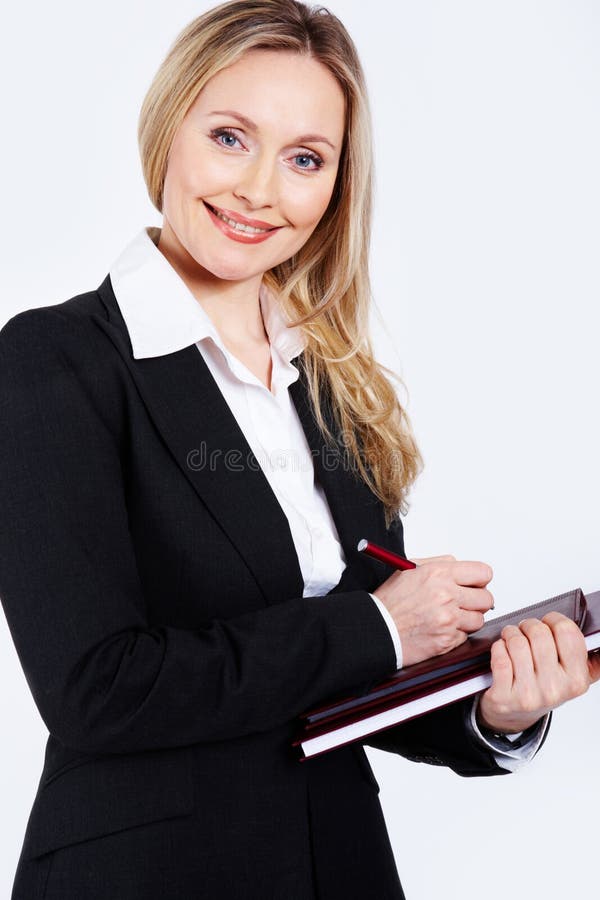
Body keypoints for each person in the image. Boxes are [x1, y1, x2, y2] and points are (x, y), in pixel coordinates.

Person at [0, 1, 597, 898]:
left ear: (335, 187)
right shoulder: (54, 362)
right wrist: (385, 624)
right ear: (169, 126)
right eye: (231, 136)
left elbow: (347, 680)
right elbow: (98, 688)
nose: (259, 191)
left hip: (338, 866)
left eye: (305, 159)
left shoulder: (332, 383)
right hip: (146, 875)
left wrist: (490, 707)